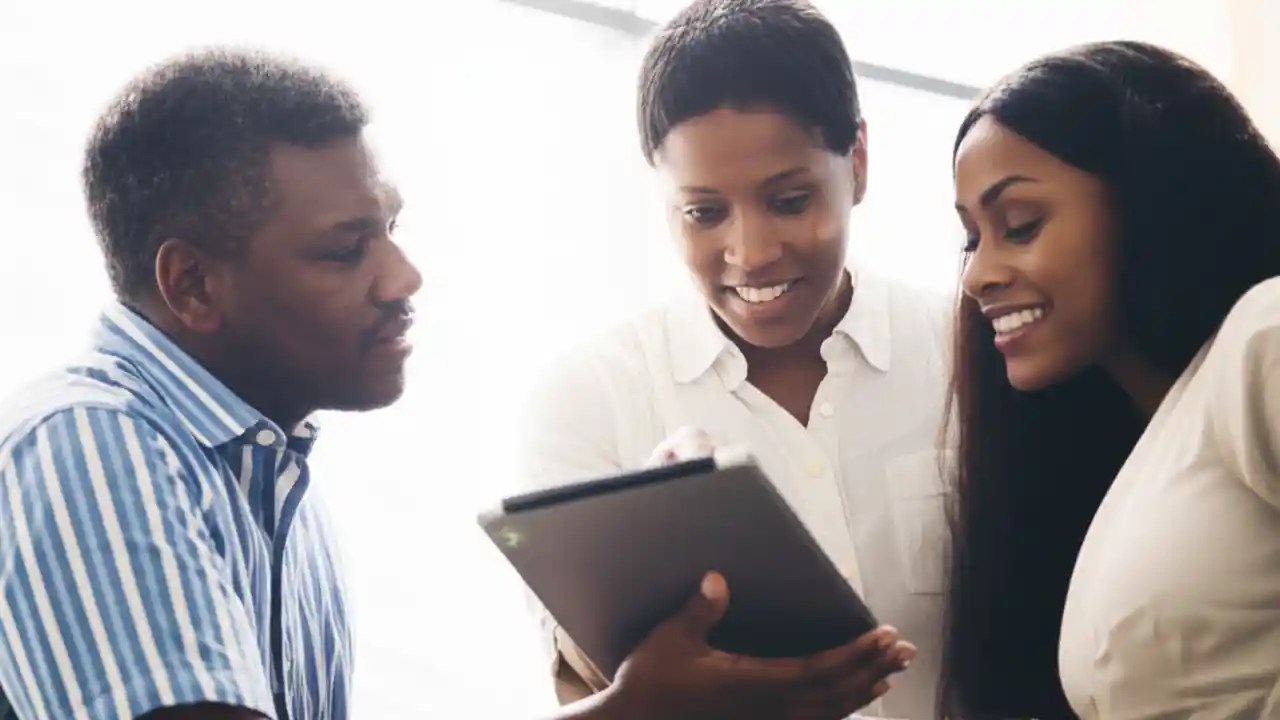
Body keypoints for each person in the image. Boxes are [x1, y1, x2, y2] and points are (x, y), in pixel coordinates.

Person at [0, 49, 906, 720]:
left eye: (389, 229)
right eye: (347, 250)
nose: (403, 278)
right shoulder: (90, 445)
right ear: (192, 285)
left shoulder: (273, 491)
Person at [520, 1, 947, 717]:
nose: (751, 253)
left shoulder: (967, 350)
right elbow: (586, 688)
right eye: (704, 213)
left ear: (860, 164)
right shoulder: (589, 398)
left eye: (788, 200)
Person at [945, 40, 1280, 719]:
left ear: (1153, 201)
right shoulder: (1137, 453)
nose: (977, 275)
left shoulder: (1262, 336)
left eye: (1019, 225)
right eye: (972, 239)